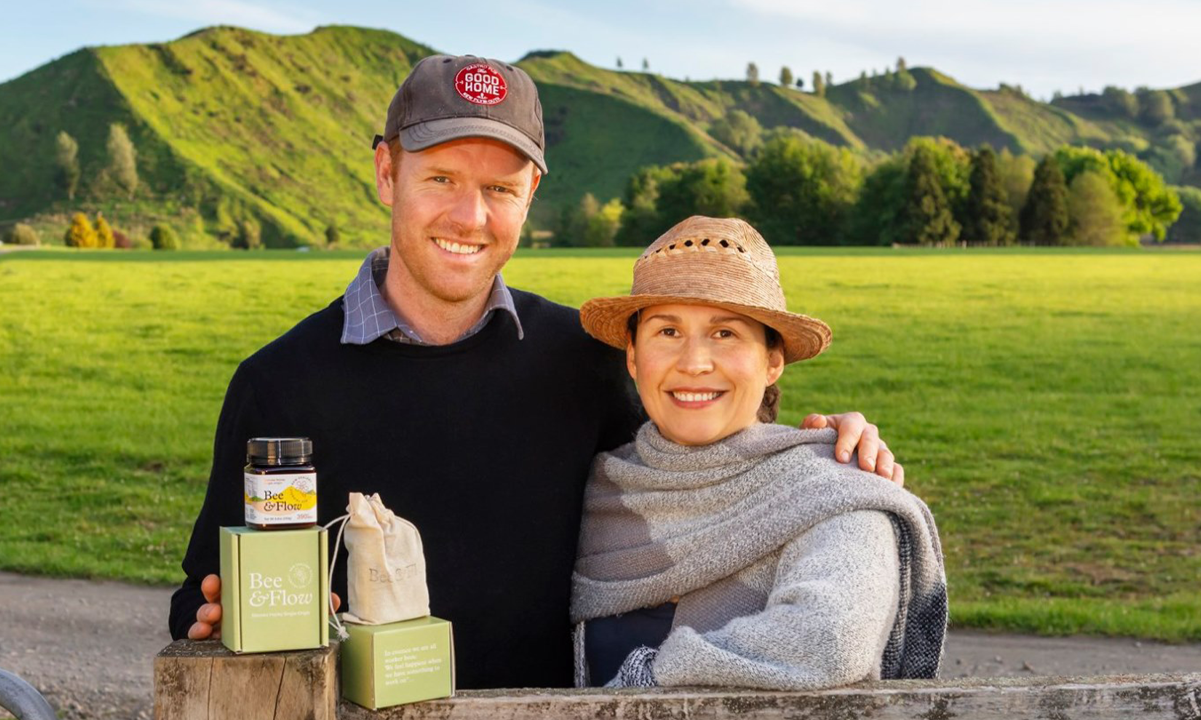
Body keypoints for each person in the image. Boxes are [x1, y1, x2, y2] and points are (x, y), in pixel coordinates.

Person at [169, 55, 905, 690]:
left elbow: (700, 454)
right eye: (442, 178)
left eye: (499, 189)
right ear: (387, 173)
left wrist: (824, 451)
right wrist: (217, 613)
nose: (470, 215)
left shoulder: (579, 358)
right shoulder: (280, 381)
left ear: (530, 198)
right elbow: (201, 600)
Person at [570, 216, 946, 689]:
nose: (693, 362)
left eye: (725, 333)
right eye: (667, 332)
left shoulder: (833, 493)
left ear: (772, 361)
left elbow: (828, 640)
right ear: (632, 357)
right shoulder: (601, 490)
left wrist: (642, 684)